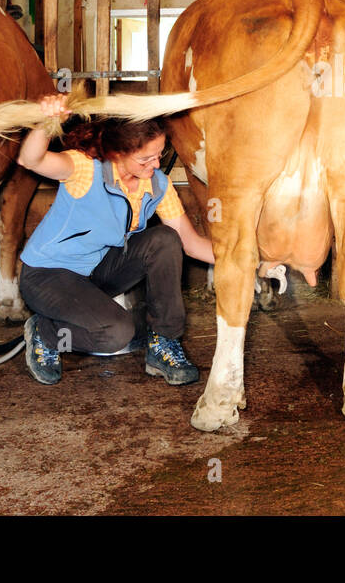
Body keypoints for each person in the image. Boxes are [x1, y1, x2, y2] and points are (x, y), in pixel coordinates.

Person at [14, 94, 214, 386]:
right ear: (118, 153)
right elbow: (30, 159)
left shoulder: (157, 184)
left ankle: (164, 343)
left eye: (160, 154)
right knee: (115, 334)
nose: (156, 164)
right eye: (145, 158)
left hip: (96, 274)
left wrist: (253, 258)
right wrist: (48, 122)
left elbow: (191, 243)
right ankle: (46, 333)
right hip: (48, 276)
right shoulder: (84, 169)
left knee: (165, 240)